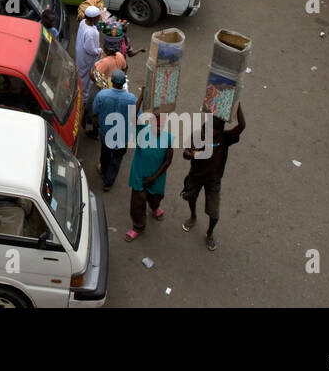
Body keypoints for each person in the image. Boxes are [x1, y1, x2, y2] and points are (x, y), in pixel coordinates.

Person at [181, 105, 245, 251]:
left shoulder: (225, 138)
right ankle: (193, 216)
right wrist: (190, 154)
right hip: (195, 176)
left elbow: (242, 125)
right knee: (190, 198)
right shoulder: (198, 135)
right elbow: (185, 153)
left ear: (219, 132)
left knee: (214, 213)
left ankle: (210, 233)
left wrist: (236, 104)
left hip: (213, 180)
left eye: (213, 133)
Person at [126, 113, 173, 241]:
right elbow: (133, 115)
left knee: (156, 196)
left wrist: (154, 177)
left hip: (157, 177)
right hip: (140, 175)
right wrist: (142, 95)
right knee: (137, 203)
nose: (159, 129)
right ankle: (138, 226)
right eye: (156, 126)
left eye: (161, 126)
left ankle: (155, 206)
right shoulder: (142, 132)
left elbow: (168, 160)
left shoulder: (168, 138)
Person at [94, 70, 137, 191]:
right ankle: (109, 181)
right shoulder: (131, 98)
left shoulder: (102, 95)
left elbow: (95, 109)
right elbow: (137, 116)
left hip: (106, 133)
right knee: (117, 158)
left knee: (105, 153)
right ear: (124, 83)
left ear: (111, 81)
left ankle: (103, 170)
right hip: (123, 136)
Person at [74, 5, 104, 136]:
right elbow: (90, 49)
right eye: (98, 17)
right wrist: (100, 51)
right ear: (94, 18)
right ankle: (85, 100)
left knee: (81, 74)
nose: (99, 18)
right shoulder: (92, 32)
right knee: (86, 79)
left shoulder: (83, 23)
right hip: (87, 58)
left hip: (80, 55)